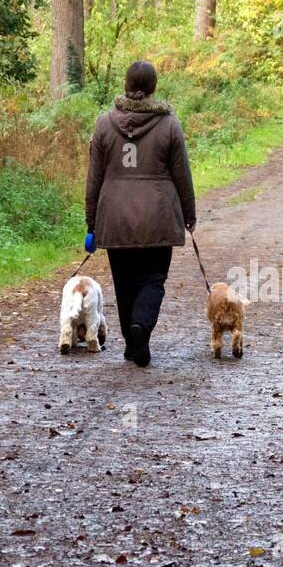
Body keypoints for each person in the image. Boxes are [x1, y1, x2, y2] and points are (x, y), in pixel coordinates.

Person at [84, 60, 196, 367]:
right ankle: (141, 329)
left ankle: (134, 343)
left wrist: (91, 220)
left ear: (125, 85)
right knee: (153, 280)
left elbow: (94, 177)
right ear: (153, 88)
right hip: (158, 216)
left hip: (116, 217)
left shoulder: (104, 123)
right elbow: (182, 174)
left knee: (124, 283)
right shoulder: (169, 123)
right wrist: (189, 213)